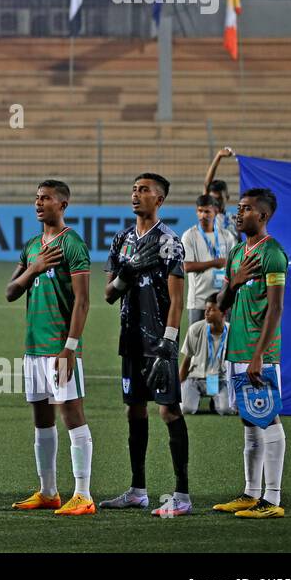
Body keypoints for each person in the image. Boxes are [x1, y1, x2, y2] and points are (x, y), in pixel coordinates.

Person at [99, 173, 191, 517]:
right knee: (134, 409)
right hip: (130, 339)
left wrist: (169, 340)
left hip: (159, 341)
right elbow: (108, 294)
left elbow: (178, 298)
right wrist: (128, 270)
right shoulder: (121, 239)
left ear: (160, 199)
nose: (136, 194)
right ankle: (138, 489)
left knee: (168, 410)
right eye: (134, 189)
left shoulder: (170, 241)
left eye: (144, 190)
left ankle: (182, 494)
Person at [5, 180, 95, 517]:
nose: (39, 203)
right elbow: (11, 292)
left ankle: (83, 494)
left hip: (60, 346)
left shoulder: (72, 244)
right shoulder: (31, 247)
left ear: (63, 204)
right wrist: (34, 268)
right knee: (42, 419)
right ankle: (48, 492)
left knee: (71, 415)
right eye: (36, 198)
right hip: (33, 347)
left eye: (46, 198)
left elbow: (83, 300)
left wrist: (70, 348)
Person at [214, 188, 289, 519]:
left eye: (246, 209)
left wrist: (259, 355)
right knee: (249, 421)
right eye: (239, 208)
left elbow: (276, 309)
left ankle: (272, 499)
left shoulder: (272, 253)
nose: (239, 213)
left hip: (260, 352)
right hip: (236, 350)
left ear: (263, 215)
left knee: (268, 419)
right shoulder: (236, 254)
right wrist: (234, 282)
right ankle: (250, 492)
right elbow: (220, 306)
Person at [181, 195, 236, 324]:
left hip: (223, 300)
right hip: (199, 302)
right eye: (200, 211)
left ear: (215, 212)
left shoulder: (227, 236)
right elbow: (186, 266)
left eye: (207, 211)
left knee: (223, 341)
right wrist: (214, 263)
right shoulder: (189, 236)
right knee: (197, 340)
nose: (203, 215)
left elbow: (234, 265)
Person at [179, 294, 234, 415]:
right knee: (186, 409)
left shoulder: (232, 332)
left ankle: (215, 402)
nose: (207, 312)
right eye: (206, 309)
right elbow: (186, 360)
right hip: (195, 379)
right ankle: (194, 399)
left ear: (223, 313)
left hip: (221, 380)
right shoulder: (195, 329)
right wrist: (177, 388)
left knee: (227, 410)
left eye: (212, 309)